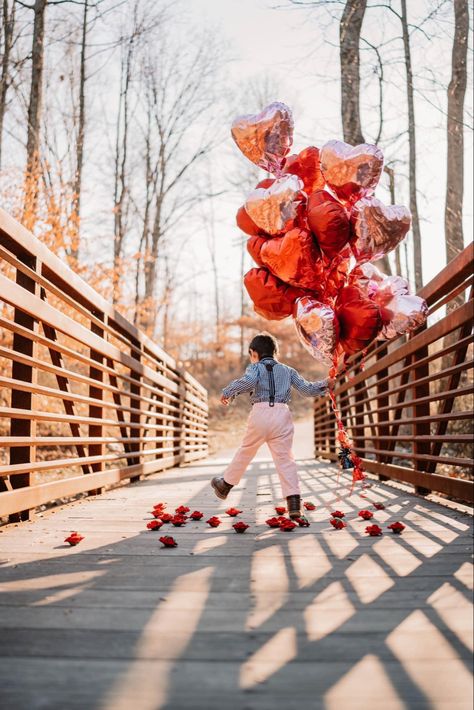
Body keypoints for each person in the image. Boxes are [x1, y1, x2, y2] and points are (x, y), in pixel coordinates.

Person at [211, 332, 330, 520]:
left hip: (260, 413)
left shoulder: (255, 367)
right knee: (285, 459)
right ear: (276, 352)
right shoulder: (288, 370)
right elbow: (307, 390)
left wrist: (229, 391)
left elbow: (249, 382)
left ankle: (225, 485)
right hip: (282, 414)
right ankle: (293, 502)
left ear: (253, 353)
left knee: (246, 450)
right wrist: (327, 382)